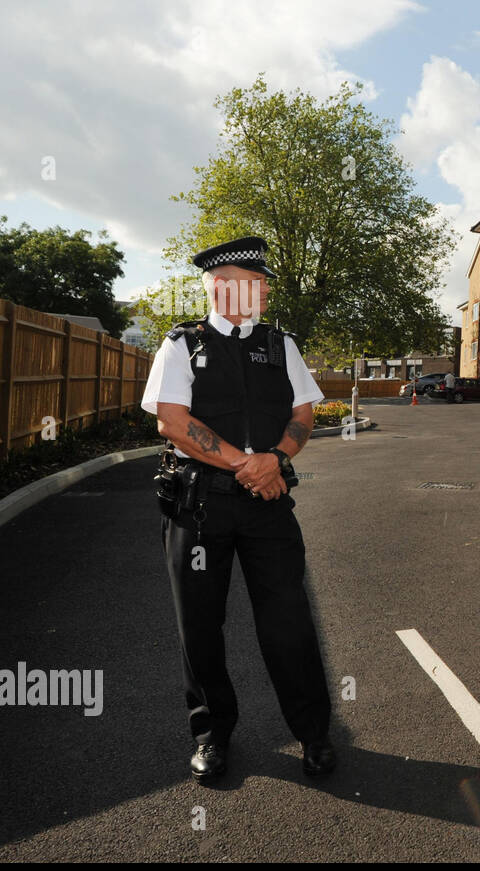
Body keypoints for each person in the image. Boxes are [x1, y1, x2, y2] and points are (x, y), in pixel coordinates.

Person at [141, 236, 337, 784]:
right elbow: (172, 422)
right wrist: (246, 464)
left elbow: (303, 411)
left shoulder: (281, 345)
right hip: (199, 506)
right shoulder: (182, 345)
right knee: (200, 626)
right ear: (224, 286)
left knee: (289, 623)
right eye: (258, 281)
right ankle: (211, 736)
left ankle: (314, 734)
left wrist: (274, 460)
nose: (268, 288)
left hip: (268, 504)